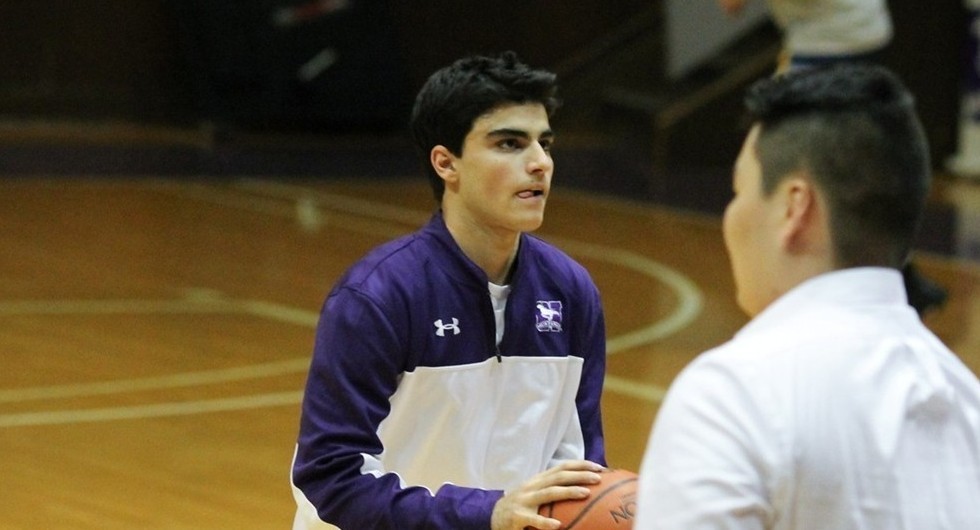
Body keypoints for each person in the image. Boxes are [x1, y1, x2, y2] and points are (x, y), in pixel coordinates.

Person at [634, 64, 980, 528]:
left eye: (738, 191)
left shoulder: (730, 396)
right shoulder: (968, 402)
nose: (731, 216)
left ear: (795, 207)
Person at [290, 51, 608, 530]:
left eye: (545, 143)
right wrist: (483, 516)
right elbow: (331, 475)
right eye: (509, 144)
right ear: (446, 163)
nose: (540, 163)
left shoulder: (570, 292)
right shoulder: (377, 297)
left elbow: (577, 468)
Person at [717, 0, 948, 315]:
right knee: (860, 169)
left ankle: (807, 285)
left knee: (768, 165)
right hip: (859, 33)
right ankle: (899, 272)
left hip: (830, 45)